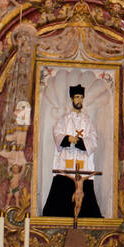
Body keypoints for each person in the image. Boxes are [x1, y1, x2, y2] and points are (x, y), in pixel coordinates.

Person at [42, 84, 102, 217]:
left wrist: (80, 142)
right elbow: (57, 134)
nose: (79, 100)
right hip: (67, 159)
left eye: (81, 97)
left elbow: (93, 139)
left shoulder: (88, 121)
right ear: (72, 99)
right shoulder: (64, 120)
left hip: (82, 160)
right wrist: (68, 138)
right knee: (63, 184)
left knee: (84, 190)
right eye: (76, 97)